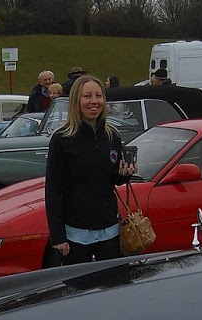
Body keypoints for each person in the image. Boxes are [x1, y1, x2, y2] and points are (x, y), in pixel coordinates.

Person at [44, 75, 136, 266]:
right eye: (87, 96)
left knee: (112, 281)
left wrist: (124, 174)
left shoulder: (112, 135)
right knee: (79, 283)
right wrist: (58, 236)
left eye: (98, 96)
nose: (94, 101)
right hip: (75, 233)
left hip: (109, 229)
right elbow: (52, 189)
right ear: (76, 101)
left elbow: (112, 179)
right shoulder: (61, 139)